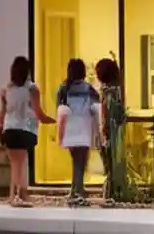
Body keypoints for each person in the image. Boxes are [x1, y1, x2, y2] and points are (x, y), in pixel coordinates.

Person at [0, 56, 55, 207]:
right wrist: (51, 120)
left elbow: (2, 112)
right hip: (25, 129)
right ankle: (19, 195)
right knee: (21, 163)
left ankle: (16, 195)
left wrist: (0, 129)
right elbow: (38, 112)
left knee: (15, 164)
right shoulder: (32, 88)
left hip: (9, 129)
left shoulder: (5, 89)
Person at [56, 58, 102, 206]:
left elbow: (60, 109)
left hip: (69, 129)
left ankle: (75, 189)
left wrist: (60, 132)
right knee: (80, 162)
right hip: (84, 128)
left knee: (76, 160)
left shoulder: (63, 88)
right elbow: (96, 107)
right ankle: (77, 192)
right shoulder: (88, 88)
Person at [94, 57, 130, 202]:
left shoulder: (107, 92)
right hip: (117, 130)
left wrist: (103, 130)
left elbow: (105, 113)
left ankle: (110, 192)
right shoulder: (117, 90)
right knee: (116, 161)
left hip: (110, 131)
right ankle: (117, 190)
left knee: (109, 162)